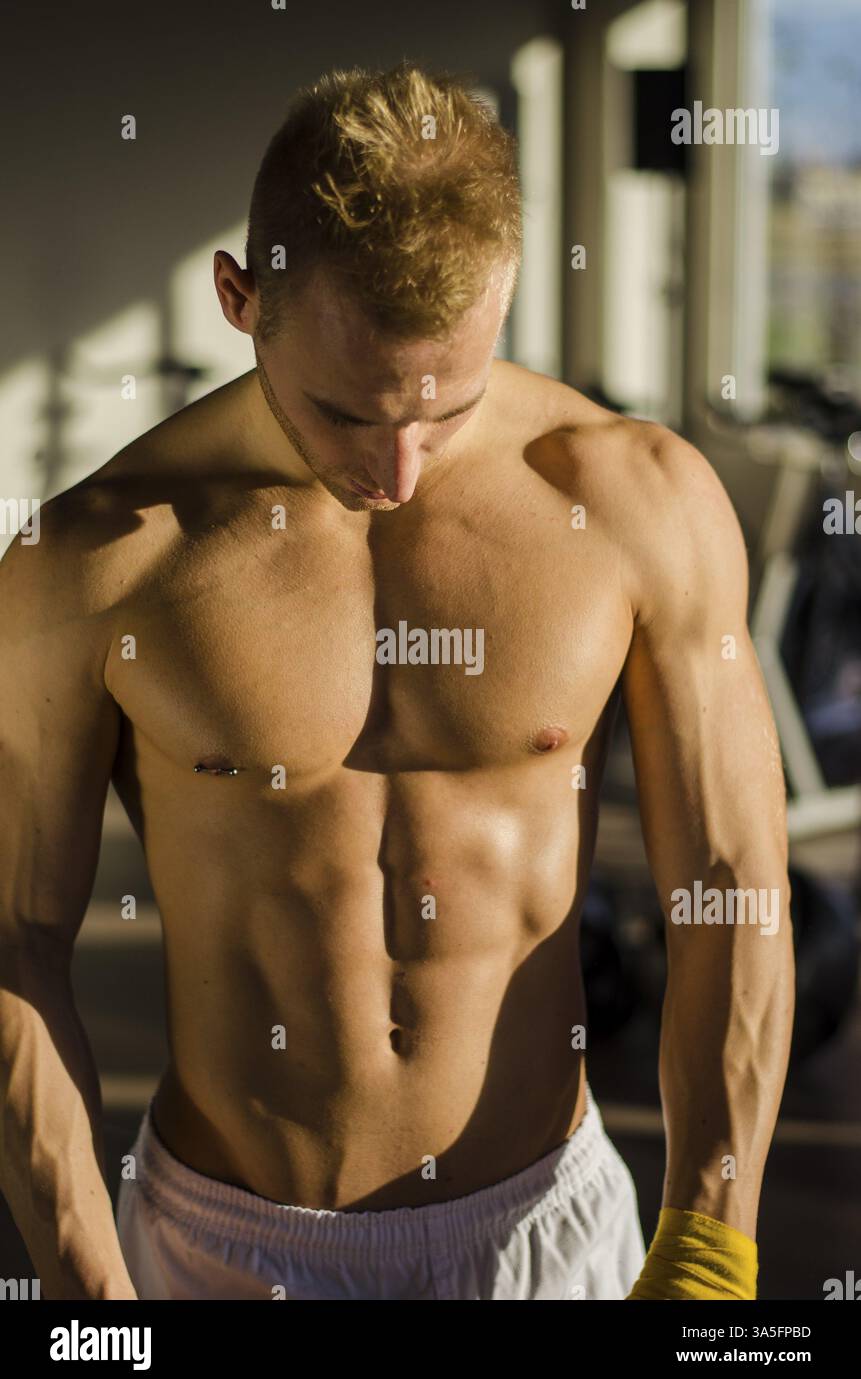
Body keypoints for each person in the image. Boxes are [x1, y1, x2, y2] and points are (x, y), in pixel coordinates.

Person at [0, 61, 794, 1300]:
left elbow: (731, 885)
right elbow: (15, 942)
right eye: (347, 412)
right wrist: (85, 1296)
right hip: (221, 1252)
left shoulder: (636, 501)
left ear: (507, 294)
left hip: (547, 1233)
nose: (400, 469)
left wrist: (712, 1242)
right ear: (239, 297)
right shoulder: (95, 559)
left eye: (447, 410)